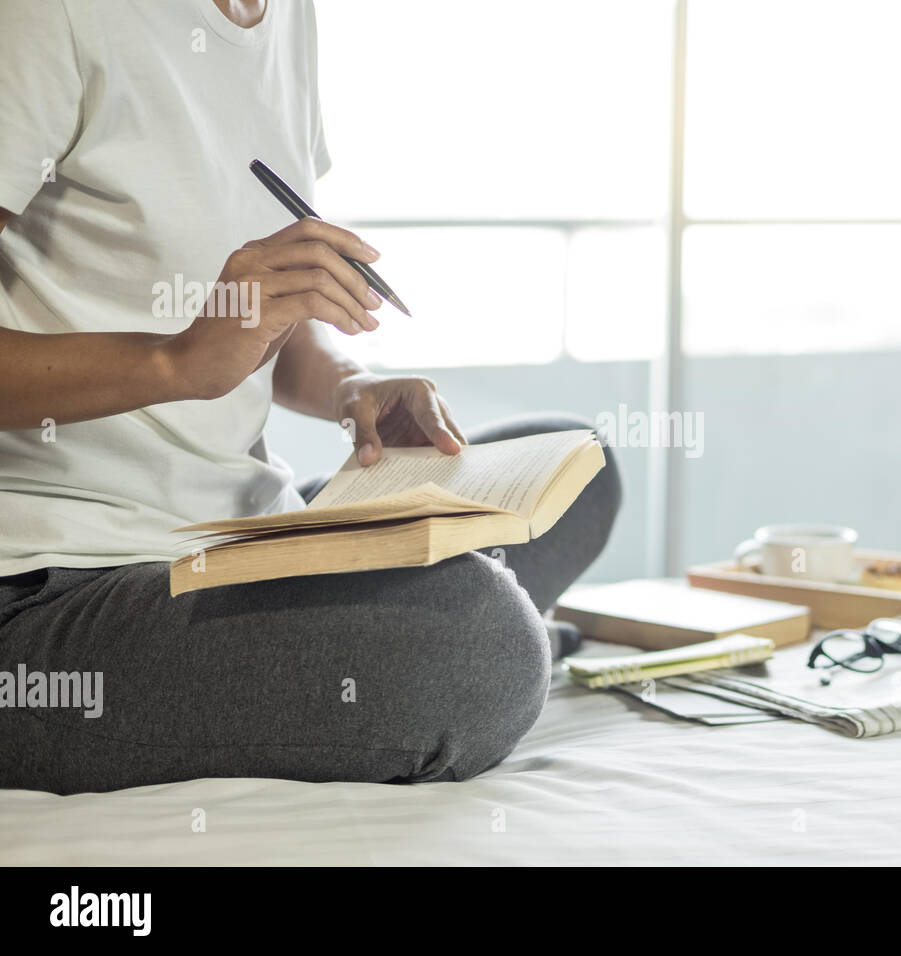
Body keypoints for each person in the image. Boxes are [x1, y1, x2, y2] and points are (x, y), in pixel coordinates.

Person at [0, 0, 619, 795]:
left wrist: (345, 387)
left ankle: (406, 633)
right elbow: (204, 354)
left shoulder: (287, 15)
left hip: (234, 536)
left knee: (579, 468)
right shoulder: (52, 15)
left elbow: (262, 318)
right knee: (479, 646)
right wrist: (173, 362)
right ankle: (480, 635)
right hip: (54, 588)